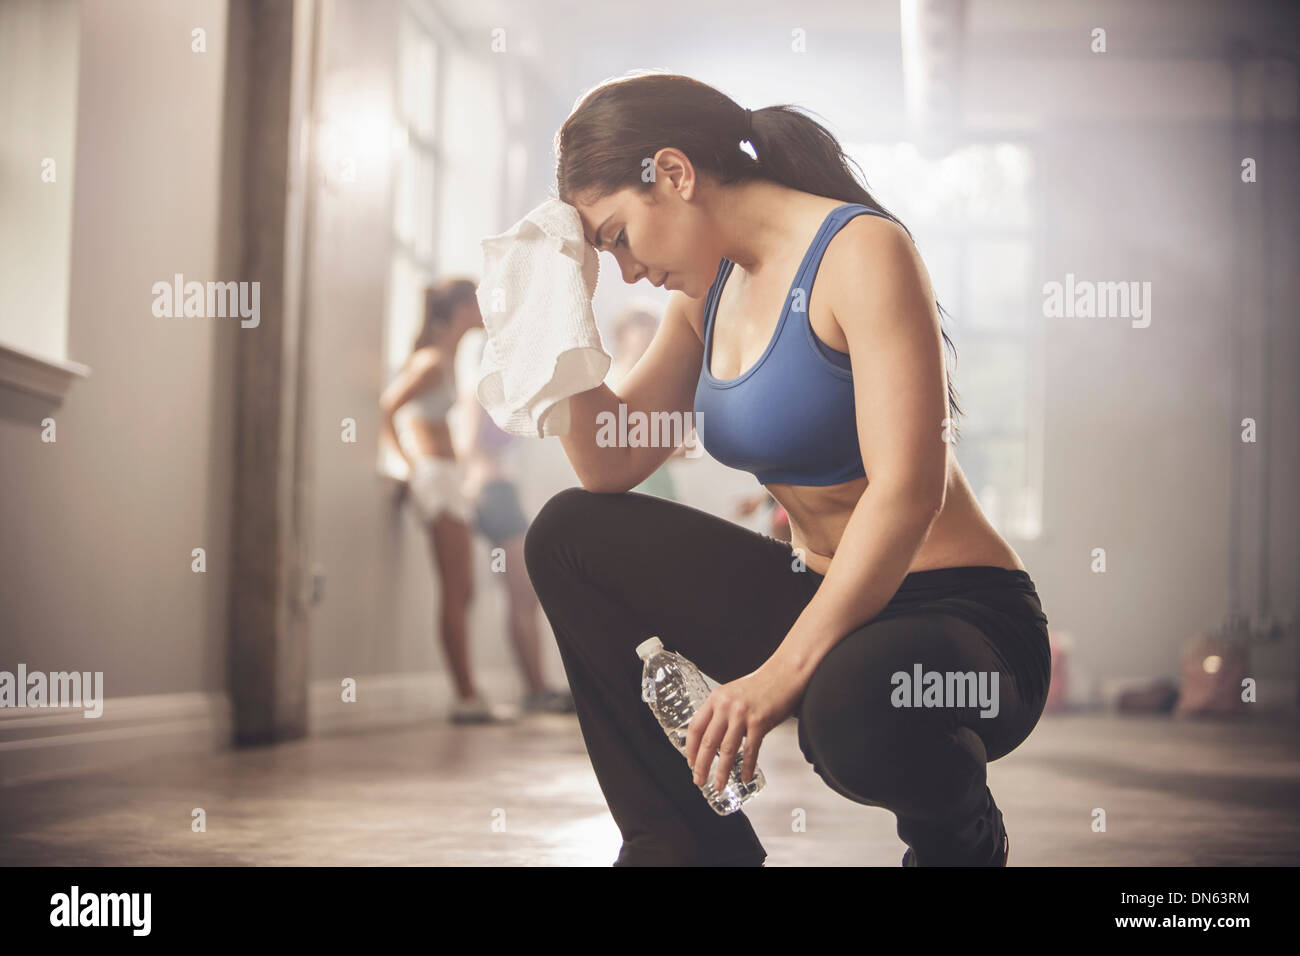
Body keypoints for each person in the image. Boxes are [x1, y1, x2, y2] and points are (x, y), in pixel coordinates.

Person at [522, 71, 1051, 867]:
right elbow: (609, 461)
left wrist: (777, 679)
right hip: (824, 598)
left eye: (617, 237)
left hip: (964, 626)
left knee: (849, 713)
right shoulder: (710, 291)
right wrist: (549, 320)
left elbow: (909, 492)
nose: (624, 271)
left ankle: (962, 839)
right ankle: (685, 848)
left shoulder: (861, 251)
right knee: (568, 534)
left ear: (673, 173)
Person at [379, 278, 503, 724]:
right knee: (455, 588)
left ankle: (468, 691)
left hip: (450, 478)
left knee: (464, 588)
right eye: (477, 303)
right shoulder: (431, 361)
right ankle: (465, 697)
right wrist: (407, 466)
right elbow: (388, 406)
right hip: (434, 475)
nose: (483, 311)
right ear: (459, 308)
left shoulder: (447, 360)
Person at [458, 330, 576, 715]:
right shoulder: (480, 391)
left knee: (522, 594)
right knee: (523, 593)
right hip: (492, 491)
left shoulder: (506, 395)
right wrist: (474, 486)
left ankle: (536, 687)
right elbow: (468, 442)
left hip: (501, 490)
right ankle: (536, 689)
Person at [605, 301, 691, 500]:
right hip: (612, 496)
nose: (646, 337)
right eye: (639, 328)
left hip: (658, 496)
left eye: (652, 331)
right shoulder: (602, 382)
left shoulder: (667, 385)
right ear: (622, 334)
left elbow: (689, 446)